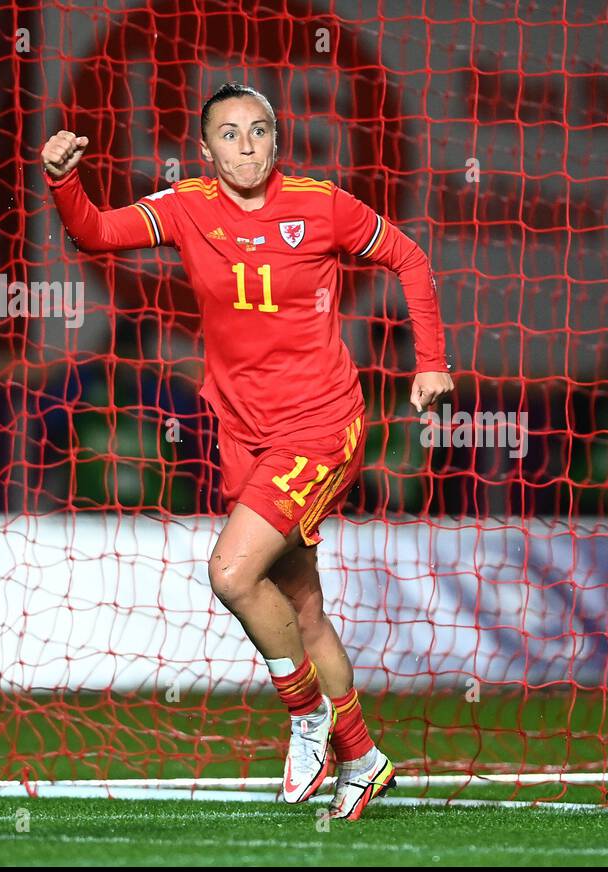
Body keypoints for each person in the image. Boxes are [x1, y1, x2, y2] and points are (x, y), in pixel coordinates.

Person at [40, 82, 454, 820]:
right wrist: (63, 179)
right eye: (229, 135)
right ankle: (361, 757)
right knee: (301, 605)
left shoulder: (322, 204)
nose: (246, 146)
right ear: (205, 150)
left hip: (322, 425)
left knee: (231, 572)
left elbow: (410, 259)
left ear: (277, 139)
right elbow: (95, 234)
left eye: (259, 131)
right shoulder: (185, 205)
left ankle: (306, 718)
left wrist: (431, 361)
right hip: (242, 432)